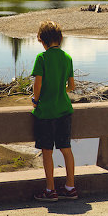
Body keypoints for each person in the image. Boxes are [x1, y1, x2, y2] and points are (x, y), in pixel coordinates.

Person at [31, 20, 78, 202]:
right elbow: (71, 86)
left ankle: (50, 190)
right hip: (65, 110)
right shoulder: (67, 58)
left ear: (42, 39)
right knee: (66, 149)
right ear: (60, 38)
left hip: (46, 113)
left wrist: (36, 101)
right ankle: (70, 187)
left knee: (47, 151)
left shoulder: (42, 58)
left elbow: (38, 85)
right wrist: (60, 90)